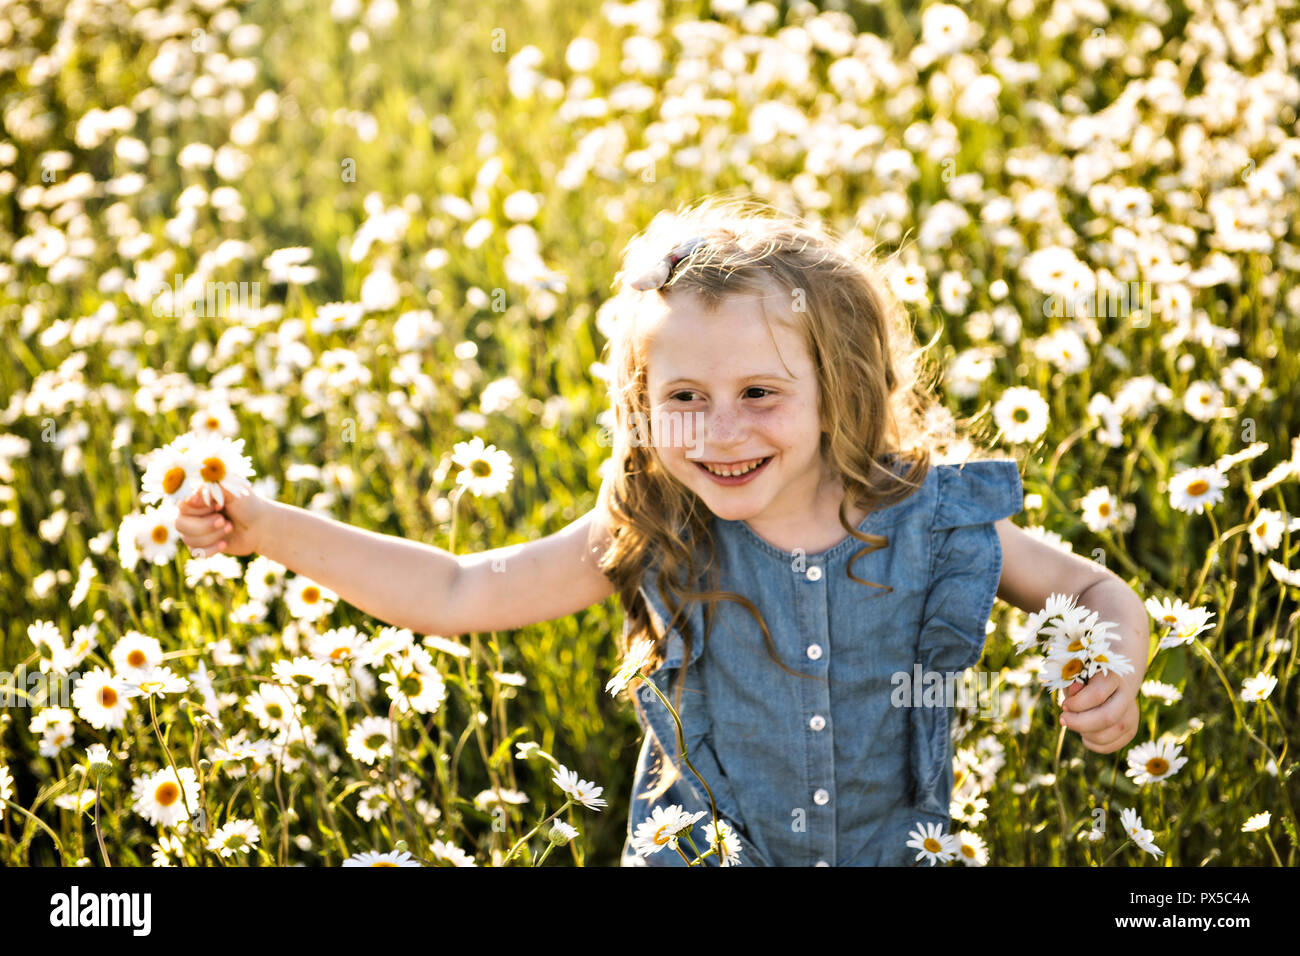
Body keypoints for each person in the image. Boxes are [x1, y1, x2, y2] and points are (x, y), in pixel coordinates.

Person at [176, 195, 1151, 867]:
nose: (721, 430)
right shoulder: (659, 526)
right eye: (684, 396)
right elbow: (456, 590)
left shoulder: (926, 516)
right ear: (642, 403)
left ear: (837, 392)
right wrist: (267, 526)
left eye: (759, 393)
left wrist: (1110, 665)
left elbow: (1098, 592)